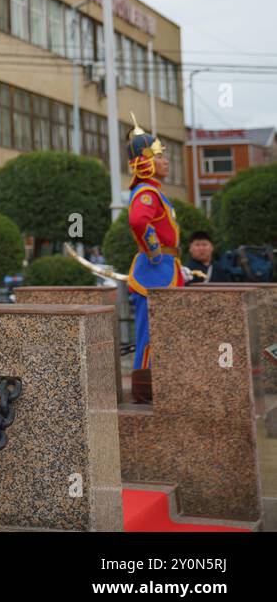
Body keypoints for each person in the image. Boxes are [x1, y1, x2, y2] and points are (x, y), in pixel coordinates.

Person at [124, 114, 188, 404]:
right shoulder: (147, 191)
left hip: (165, 269)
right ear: (145, 160)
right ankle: (145, 392)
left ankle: (161, 388)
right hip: (155, 270)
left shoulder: (156, 192)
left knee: (162, 333)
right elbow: (138, 221)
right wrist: (154, 250)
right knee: (149, 335)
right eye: (160, 156)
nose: (166, 161)